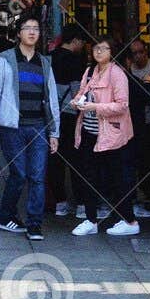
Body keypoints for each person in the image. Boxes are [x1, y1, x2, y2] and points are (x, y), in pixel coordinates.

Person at [0, 17, 60, 240]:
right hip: (12, 128)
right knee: (19, 173)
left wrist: (54, 132)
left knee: (37, 176)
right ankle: (6, 214)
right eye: (28, 28)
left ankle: (34, 224)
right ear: (19, 34)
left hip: (38, 128)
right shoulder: (5, 60)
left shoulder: (44, 63)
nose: (33, 32)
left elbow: (52, 98)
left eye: (36, 29)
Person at [71, 40, 140, 237]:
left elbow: (122, 106)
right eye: (95, 48)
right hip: (89, 132)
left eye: (103, 48)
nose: (98, 52)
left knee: (117, 178)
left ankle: (129, 220)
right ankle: (91, 220)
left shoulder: (117, 74)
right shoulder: (90, 71)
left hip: (111, 134)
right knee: (88, 177)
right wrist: (77, 102)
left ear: (112, 52)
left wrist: (95, 108)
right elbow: (81, 93)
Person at [49, 22, 93, 218]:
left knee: (55, 159)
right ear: (75, 40)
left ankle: (60, 203)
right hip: (70, 115)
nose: (83, 46)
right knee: (77, 159)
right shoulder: (75, 61)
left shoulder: (49, 58)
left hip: (52, 115)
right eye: (82, 42)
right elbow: (78, 92)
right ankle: (82, 205)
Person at [121, 38, 150, 220]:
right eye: (133, 54)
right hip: (134, 128)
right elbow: (149, 99)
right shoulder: (132, 81)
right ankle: (132, 205)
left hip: (123, 130)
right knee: (131, 166)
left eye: (140, 52)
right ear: (128, 61)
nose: (138, 57)